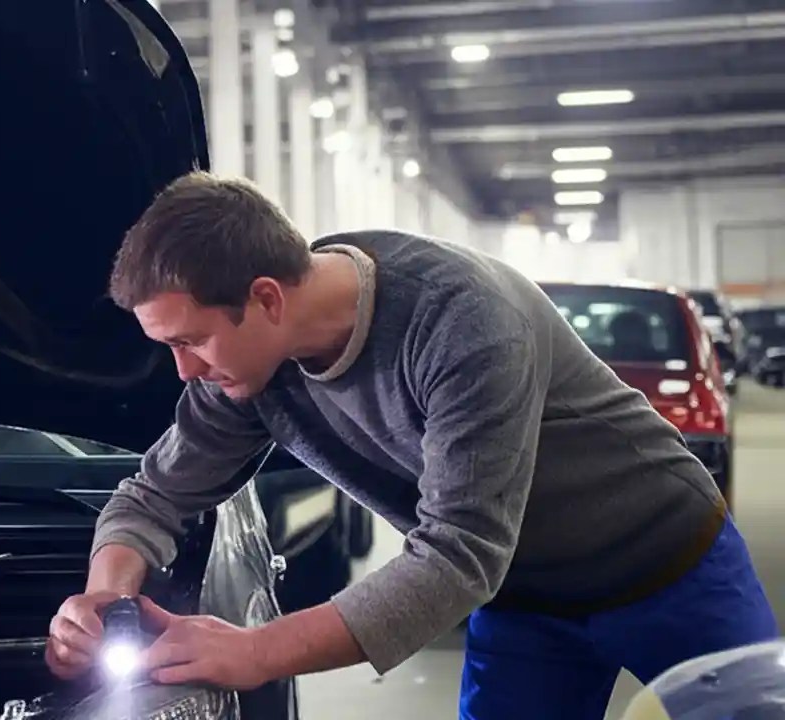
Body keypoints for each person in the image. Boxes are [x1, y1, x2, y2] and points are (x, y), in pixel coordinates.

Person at [43, 172, 777, 719]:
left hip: (666, 565)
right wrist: (108, 598)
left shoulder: (459, 320)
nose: (185, 370)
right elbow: (153, 496)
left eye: (192, 340)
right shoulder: (247, 369)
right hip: (523, 600)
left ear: (266, 297)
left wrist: (254, 649)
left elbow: (457, 555)